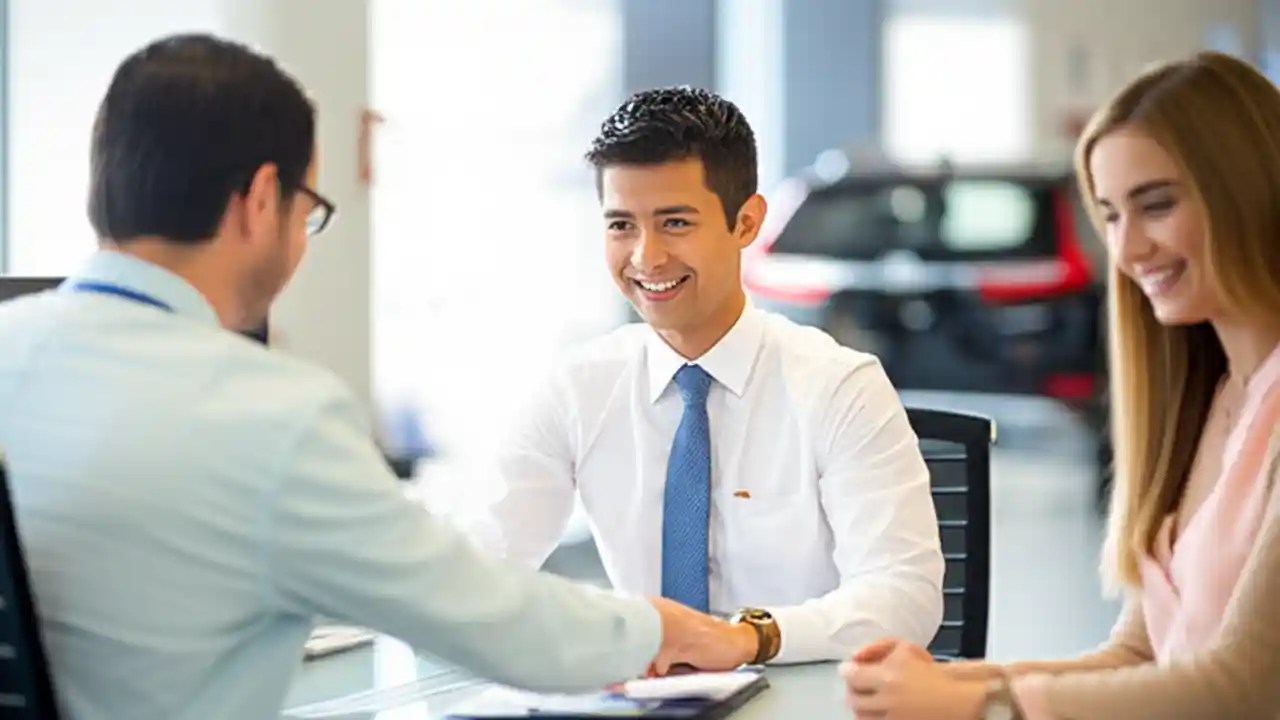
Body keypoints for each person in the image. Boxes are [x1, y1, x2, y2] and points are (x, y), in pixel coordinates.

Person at [0, 34, 746, 720]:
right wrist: (665, 625)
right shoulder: (268, 413)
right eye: (309, 210)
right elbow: (485, 617)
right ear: (263, 200)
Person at [842, 50, 1280, 720]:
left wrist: (978, 705)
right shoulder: (1214, 395)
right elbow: (1139, 656)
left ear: (1247, 191)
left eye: (1155, 205)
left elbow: (1243, 689)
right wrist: (952, 683)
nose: (1128, 250)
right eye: (1109, 215)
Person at [465, 86, 944, 666]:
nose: (646, 257)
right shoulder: (578, 389)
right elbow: (479, 572)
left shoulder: (840, 388)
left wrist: (745, 637)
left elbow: (905, 598)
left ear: (746, 222)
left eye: (675, 222)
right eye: (621, 225)